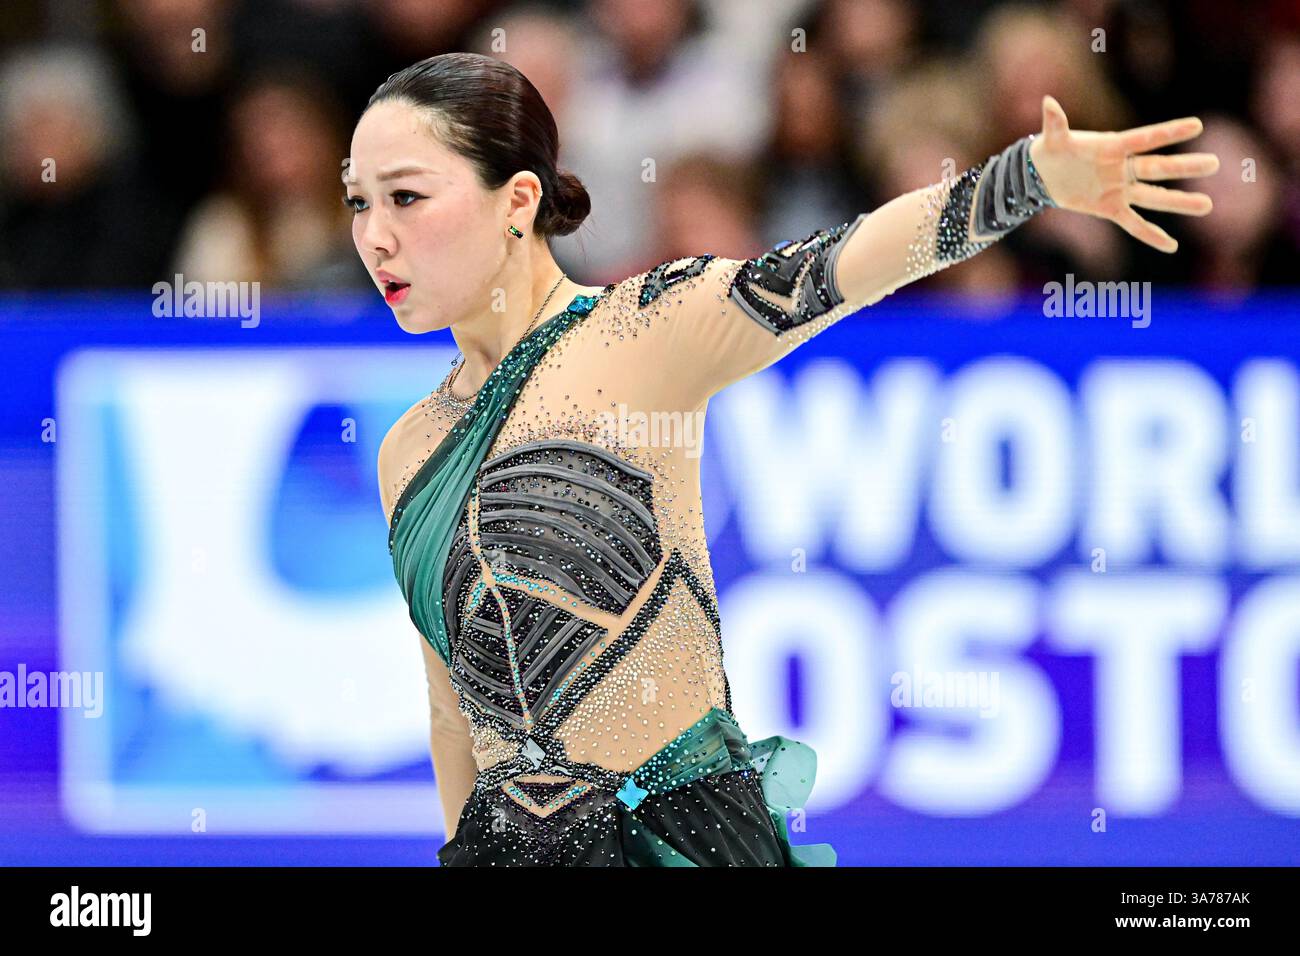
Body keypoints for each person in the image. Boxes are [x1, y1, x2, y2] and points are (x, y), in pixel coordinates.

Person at [345, 52, 1218, 866]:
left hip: (683, 834)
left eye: (406, 198)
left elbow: (848, 262)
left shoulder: (644, 330)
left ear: (518, 200)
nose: (375, 236)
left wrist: (1025, 178)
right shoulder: (409, 448)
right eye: (357, 203)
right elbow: (453, 713)